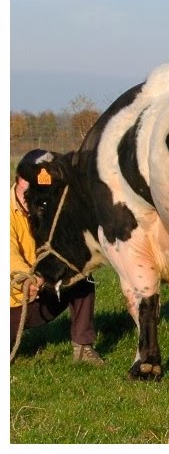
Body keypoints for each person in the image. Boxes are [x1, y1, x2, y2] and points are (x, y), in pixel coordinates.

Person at [10, 149, 104, 365]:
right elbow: (8, 253)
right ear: (19, 180)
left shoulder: (52, 208)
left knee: (81, 276)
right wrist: (27, 277)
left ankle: (83, 347)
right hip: (11, 301)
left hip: (45, 290)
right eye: (31, 185)